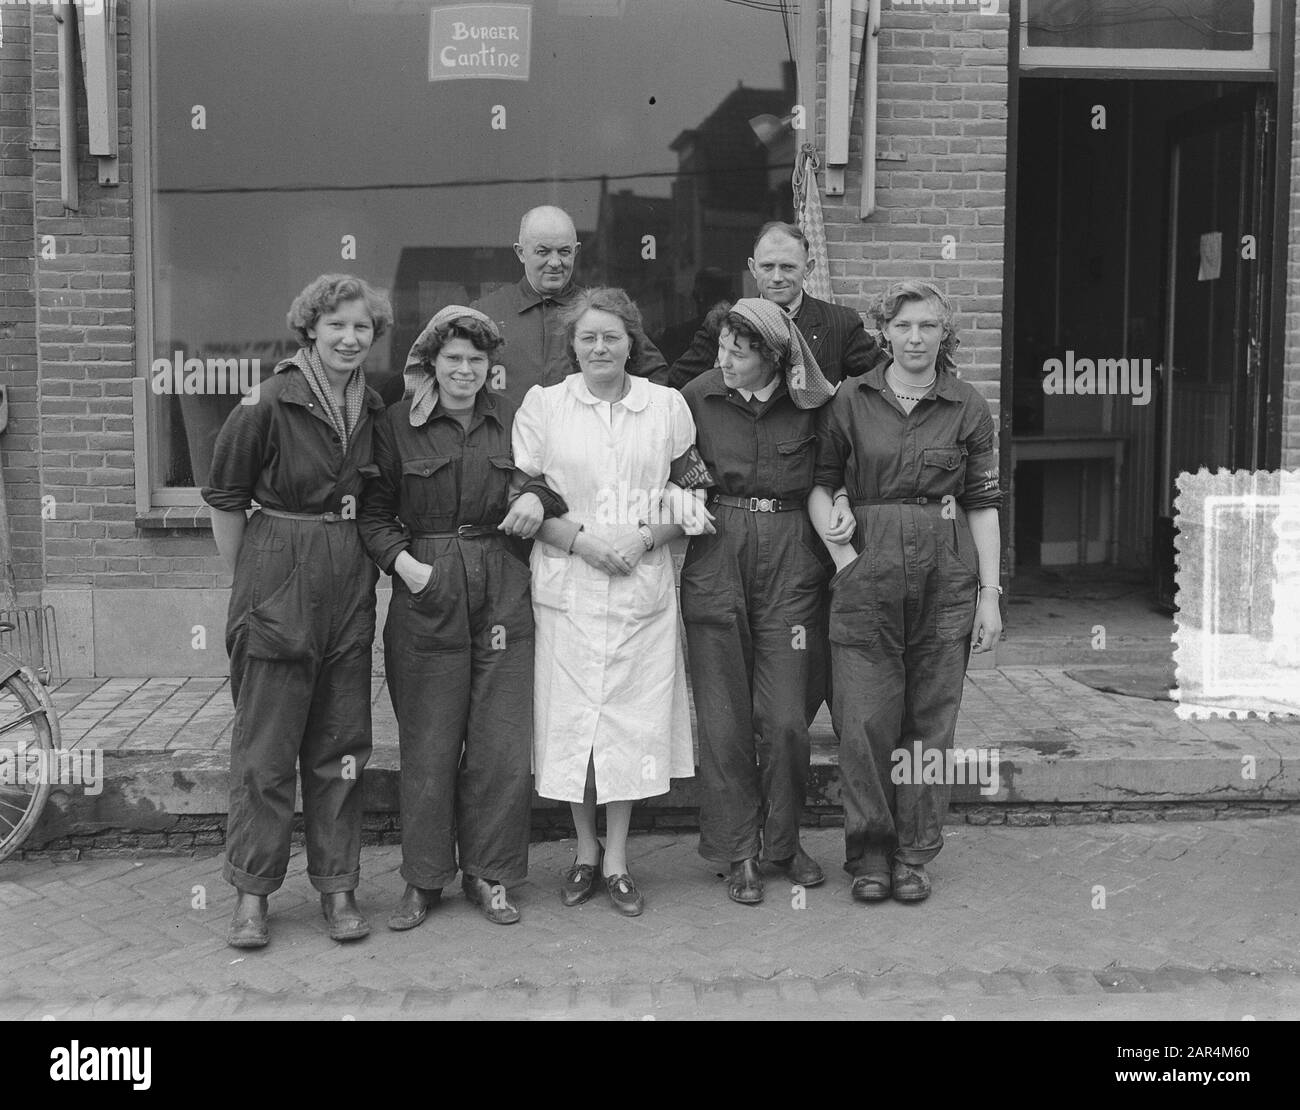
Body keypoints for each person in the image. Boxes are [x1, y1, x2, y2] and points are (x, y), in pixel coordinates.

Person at [359, 306, 568, 931]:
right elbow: (370, 514)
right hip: (428, 588)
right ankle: (424, 880)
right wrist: (402, 563)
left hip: (503, 579)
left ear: (490, 367)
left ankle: (491, 874)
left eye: (477, 361)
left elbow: (553, 484)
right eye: (454, 359)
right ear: (431, 362)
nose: (466, 371)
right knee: (428, 742)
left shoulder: (514, 418)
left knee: (501, 742)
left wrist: (535, 496)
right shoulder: (398, 424)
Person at [203, 273, 391, 948]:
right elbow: (225, 497)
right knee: (266, 751)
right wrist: (254, 579)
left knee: (342, 746)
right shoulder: (267, 400)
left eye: (361, 327)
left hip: (347, 584)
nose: (349, 337)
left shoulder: (371, 403)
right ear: (310, 326)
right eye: (336, 324)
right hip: (276, 572)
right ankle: (252, 895)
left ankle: (338, 887)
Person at [512, 287, 709, 917]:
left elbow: (693, 497)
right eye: (588, 338)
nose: (600, 347)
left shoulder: (667, 407)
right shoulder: (544, 408)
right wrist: (582, 543)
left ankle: (619, 859)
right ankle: (584, 849)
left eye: (612, 337)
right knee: (573, 723)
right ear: (572, 346)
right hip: (568, 589)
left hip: (640, 590)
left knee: (628, 725)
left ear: (632, 342)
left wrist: (648, 533)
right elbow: (523, 502)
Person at [808, 280, 1002, 904]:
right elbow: (820, 481)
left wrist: (990, 595)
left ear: (946, 333)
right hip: (866, 579)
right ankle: (870, 852)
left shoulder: (967, 405)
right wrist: (836, 528)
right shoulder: (849, 399)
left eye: (928, 326)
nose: (915, 338)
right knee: (864, 721)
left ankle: (915, 854)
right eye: (903, 326)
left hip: (946, 582)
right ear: (884, 332)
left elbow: (983, 504)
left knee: (930, 725)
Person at [680, 298, 838, 905]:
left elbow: (832, 479)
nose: (723, 361)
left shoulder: (813, 405)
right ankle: (738, 850)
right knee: (723, 719)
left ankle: (784, 839)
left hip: (793, 556)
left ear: (773, 357)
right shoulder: (695, 396)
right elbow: (666, 470)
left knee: (786, 719)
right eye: (721, 347)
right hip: (718, 550)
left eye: (738, 354)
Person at [472, 206, 669, 406]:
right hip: (508, 435)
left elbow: (654, 375)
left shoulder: (602, 310)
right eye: (543, 252)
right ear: (521, 253)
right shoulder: (485, 313)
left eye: (564, 252)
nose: (555, 262)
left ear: (576, 252)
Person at [667, 221, 888, 390]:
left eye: (788, 267)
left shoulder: (841, 323)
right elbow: (677, 384)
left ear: (808, 268)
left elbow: (883, 384)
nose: (776, 277)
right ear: (753, 268)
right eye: (767, 266)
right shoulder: (725, 322)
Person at [654, 266, 733, 368]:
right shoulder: (745, 330)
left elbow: (673, 378)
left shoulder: (675, 335)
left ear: (698, 296)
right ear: (732, 296)